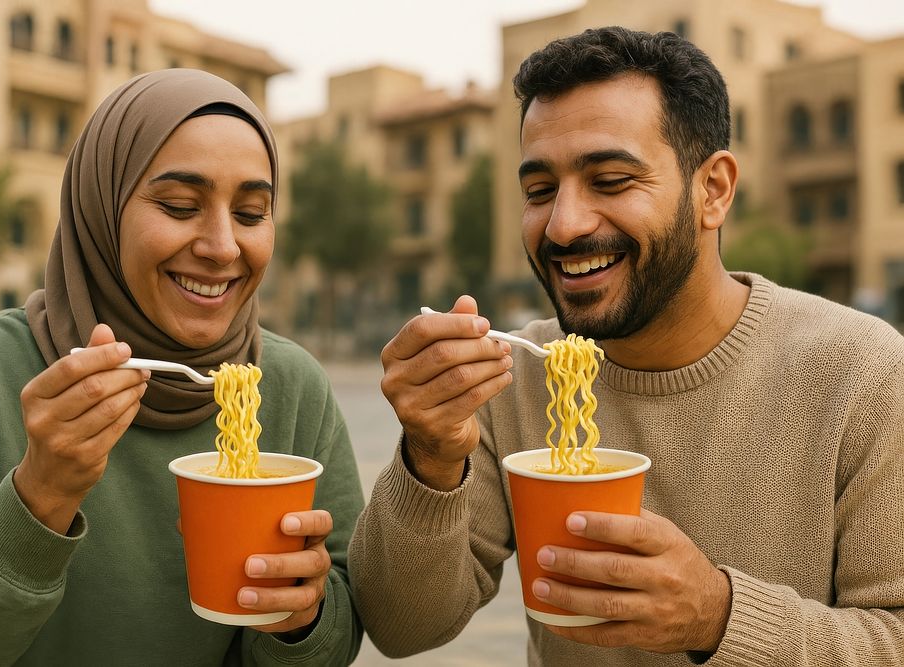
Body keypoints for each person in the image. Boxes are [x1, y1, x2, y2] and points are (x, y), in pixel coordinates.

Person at [349, 26, 904, 666]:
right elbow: (400, 627)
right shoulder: (514, 377)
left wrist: (717, 616)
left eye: (610, 180)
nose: (564, 224)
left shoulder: (864, 372)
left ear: (713, 190)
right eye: (539, 190)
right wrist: (430, 458)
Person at [0, 69, 364, 665]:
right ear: (103, 204)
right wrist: (41, 494)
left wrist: (299, 619)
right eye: (179, 205)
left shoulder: (292, 384)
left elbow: (340, 630)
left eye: (251, 213)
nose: (223, 246)